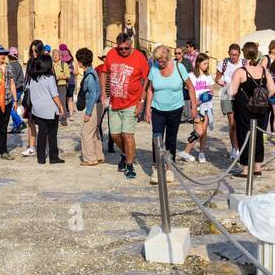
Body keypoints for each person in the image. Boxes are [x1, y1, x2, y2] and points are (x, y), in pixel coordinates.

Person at [143, 44, 199, 183]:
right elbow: (150, 89)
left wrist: (193, 107)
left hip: (175, 109)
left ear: (167, 57)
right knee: (157, 138)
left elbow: (190, 87)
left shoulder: (179, 68)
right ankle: (157, 168)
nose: (159, 63)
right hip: (157, 109)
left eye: (162, 60)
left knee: (171, 139)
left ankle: (169, 168)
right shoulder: (154, 68)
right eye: (157, 60)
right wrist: (147, 108)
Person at [99, 31, 150, 180]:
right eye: (120, 48)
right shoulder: (111, 54)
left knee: (127, 135)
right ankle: (126, 153)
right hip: (115, 102)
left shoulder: (139, 57)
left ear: (131, 45)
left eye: (126, 48)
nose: (123, 51)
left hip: (132, 103)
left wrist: (141, 101)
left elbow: (147, 79)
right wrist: (103, 92)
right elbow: (104, 72)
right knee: (115, 135)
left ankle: (129, 165)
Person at [229, 42, 275, 178]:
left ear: (243, 53)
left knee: (244, 136)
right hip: (261, 108)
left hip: (244, 108)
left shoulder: (240, 72)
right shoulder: (264, 71)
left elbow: (232, 91)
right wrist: (261, 97)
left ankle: (245, 170)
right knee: (259, 136)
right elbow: (272, 90)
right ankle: (257, 169)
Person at [24, 53, 65, 164]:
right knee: (52, 134)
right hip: (50, 110)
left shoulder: (33, 79)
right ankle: (53, 157)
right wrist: (61, 106)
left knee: (42, 133)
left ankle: (41, 158)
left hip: (38, 110)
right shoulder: (49, 78)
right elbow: (54, 95)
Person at [75, 47, 104, 166]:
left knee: (86, 133)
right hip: (98, 105)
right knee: (94, 131)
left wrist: (88, 113)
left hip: (94, 106)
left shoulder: (90, 76)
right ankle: (98, 155)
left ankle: (90, 158)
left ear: (80, 62)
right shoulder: (92, 72)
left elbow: (92, 95)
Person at [215, 43, 244, 159]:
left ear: (239, 54)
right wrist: (225, 84)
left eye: (236, 55)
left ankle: (241, 146)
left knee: (240, 122)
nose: (233, 57)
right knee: (232, 123)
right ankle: (234, 148)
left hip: (240, 94)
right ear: (228, 53)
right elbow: (217, 78)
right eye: (231, 54)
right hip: (227, 94)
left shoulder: (244, 63)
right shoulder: (223, 63)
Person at [183, 53, 213, 162]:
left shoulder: (208, 76)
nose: (206, 66)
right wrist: (196, 101)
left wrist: (209, 94)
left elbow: (210, 90)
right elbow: (188, 90)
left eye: (207, 64)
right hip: (196, 106)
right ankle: (186, 151)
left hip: (207, 106)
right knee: (198, 131)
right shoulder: (191, 76)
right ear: (198, 63)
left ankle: (201, 152)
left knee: (204, 131)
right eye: (204, 63)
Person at [6, 46, 26, 134]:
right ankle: (16, 127)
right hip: (20, 87)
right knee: (14, 107)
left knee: (11, 109)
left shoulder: (11, 65)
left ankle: (20, 122)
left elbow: (12, 80)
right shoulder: (17, 63)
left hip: (16, 88)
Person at [54, 43, 74, 122]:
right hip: (53, 86)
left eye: (56, 55)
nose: (55, 56)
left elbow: (68, 75)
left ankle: (64, 118)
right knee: (54, 102)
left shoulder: (64, 64)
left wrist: (59, 77)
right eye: (53, 55)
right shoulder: (51, 65)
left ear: (59, 56)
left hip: (62, 85)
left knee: (62, 101)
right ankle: (55, 117)